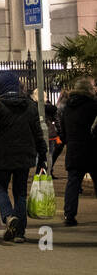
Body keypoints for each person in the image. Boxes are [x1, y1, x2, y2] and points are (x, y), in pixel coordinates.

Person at [0, 73, 48, 244]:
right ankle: (19, 233)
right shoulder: (30, 106)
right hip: (24, 156)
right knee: (20, 193)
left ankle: (9, 217)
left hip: (2, 156)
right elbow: (38, 134)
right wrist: (43, 156)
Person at [58, 77, 97, 226]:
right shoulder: (93, 105)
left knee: (73, 183)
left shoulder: (68, 106)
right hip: (92, 147)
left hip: (74, 148)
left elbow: (63, 128)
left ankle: (69, 215)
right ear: (88, 89)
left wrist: (68, 140)